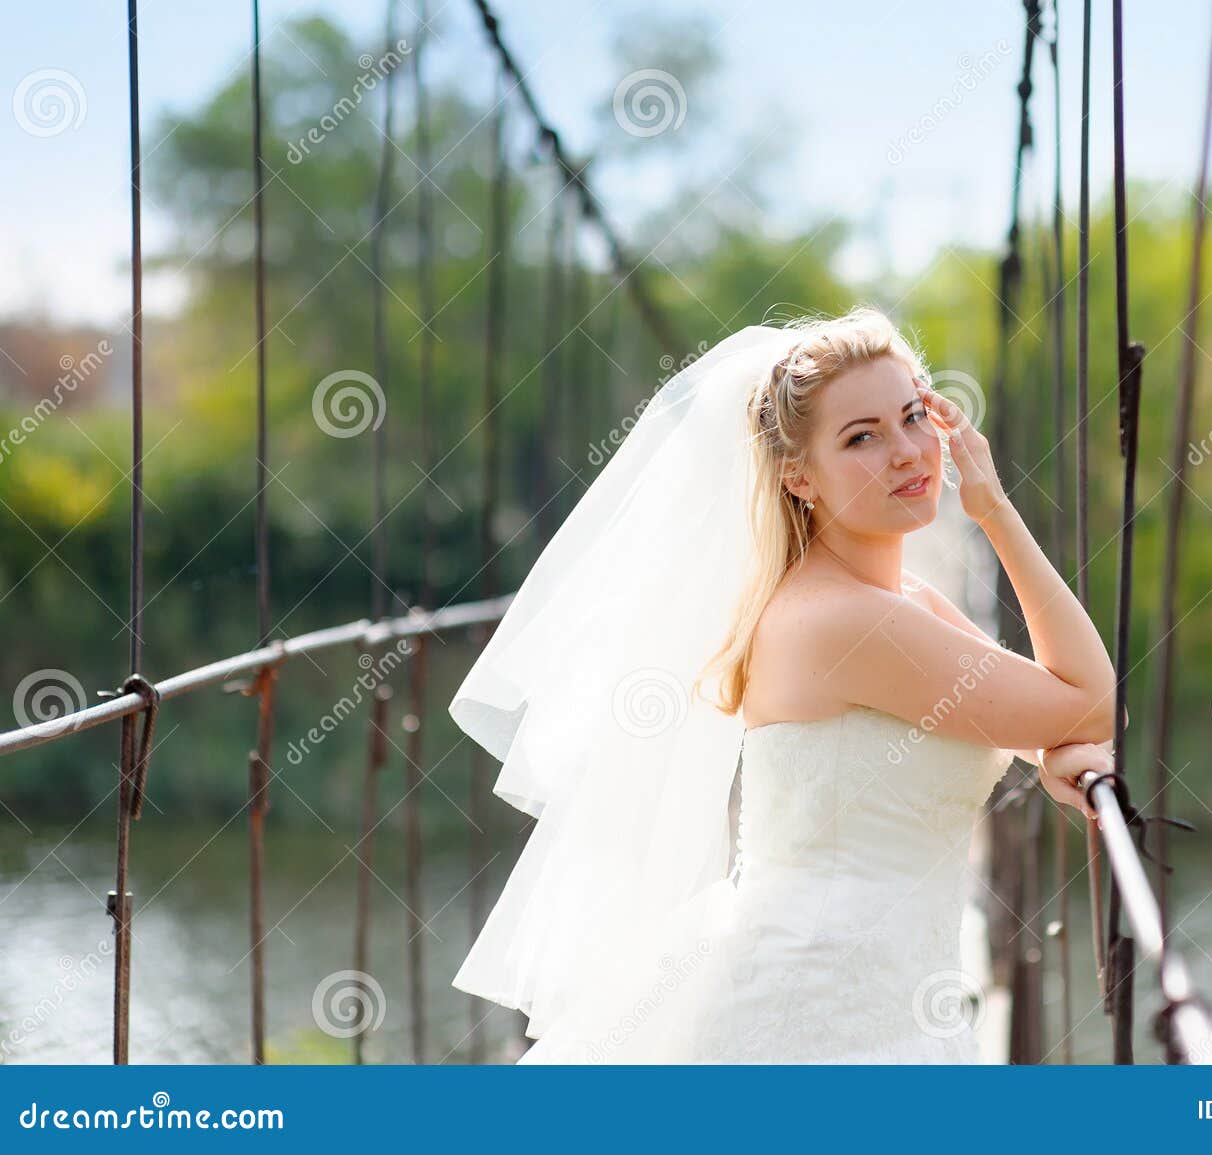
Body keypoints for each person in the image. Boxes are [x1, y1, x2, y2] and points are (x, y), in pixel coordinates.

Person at [449, 306, 1117, 1062]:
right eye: (861, 436)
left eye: (911, 418)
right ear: (799, 474)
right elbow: (1089, 701)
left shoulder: (903, 607)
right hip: (814, 1022)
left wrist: (1053, 748)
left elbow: (1051, 713)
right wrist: (992, 506)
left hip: (890, 1010)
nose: (906, 452)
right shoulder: (842, 623)